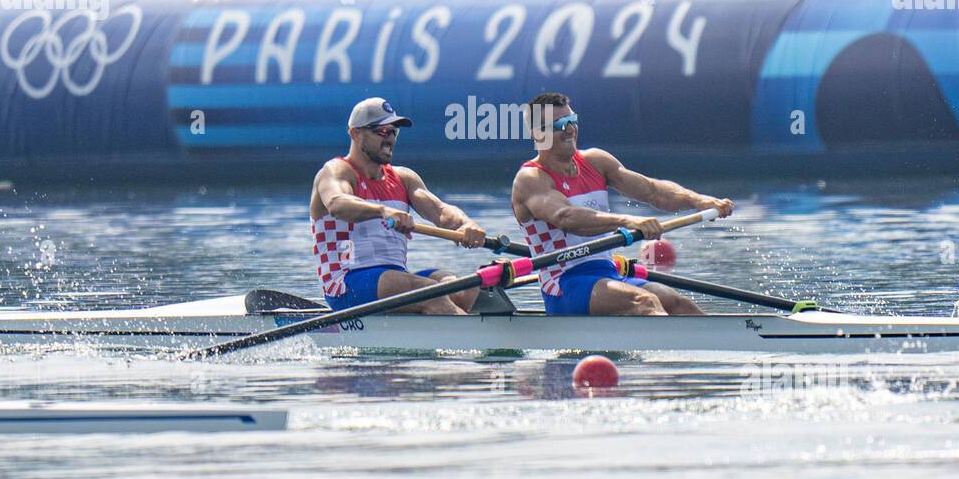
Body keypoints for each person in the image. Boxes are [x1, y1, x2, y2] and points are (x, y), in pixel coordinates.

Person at [511, 92, 735, 316]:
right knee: (645, 302)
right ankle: (667, 349)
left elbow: (652, 191)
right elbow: (566, 217)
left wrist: (698, 200)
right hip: (564, 284)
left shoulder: (596, 162)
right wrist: (628, 220)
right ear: (538, 133)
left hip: (608, 273)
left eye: (573, 121)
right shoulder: (531, 179)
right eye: (560, 124)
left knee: (678, 303)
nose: (570, 129)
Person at [310, 97, 487, 315]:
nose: (391, 140)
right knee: (431, 293)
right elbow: (337, 204)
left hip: (389, 281)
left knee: (466, 288)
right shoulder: (336, 171)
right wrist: (382, 211)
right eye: (383, 132)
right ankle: (472, 342)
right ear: (355, 133)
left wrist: (466, 224)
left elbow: (441, 212)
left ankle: (443, 327)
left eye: (395, 132)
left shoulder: (403, 178)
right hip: (347, 282)